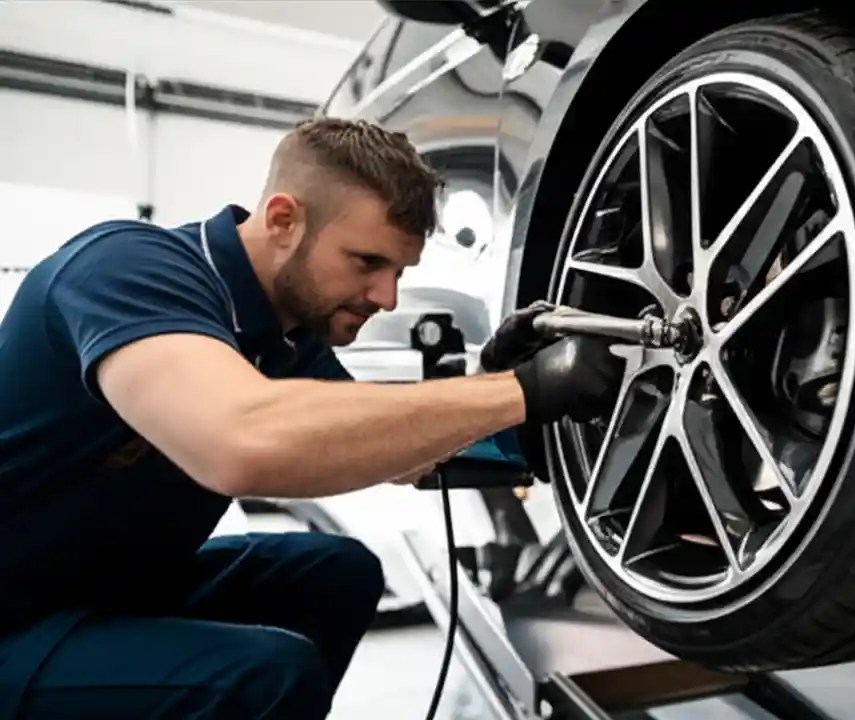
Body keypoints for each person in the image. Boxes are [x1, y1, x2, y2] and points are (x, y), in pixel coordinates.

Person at [0, 117, 624, 718]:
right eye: (366, 263)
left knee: (339, 574)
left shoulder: (289, 337)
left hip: (107, 592)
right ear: (283, 220)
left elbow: (401, 453)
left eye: (399, 272)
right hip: (18, 618)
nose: (387, 297)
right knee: (265, 675)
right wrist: (514, 392)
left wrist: (498, 386)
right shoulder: (127, 269)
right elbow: (239, 441)